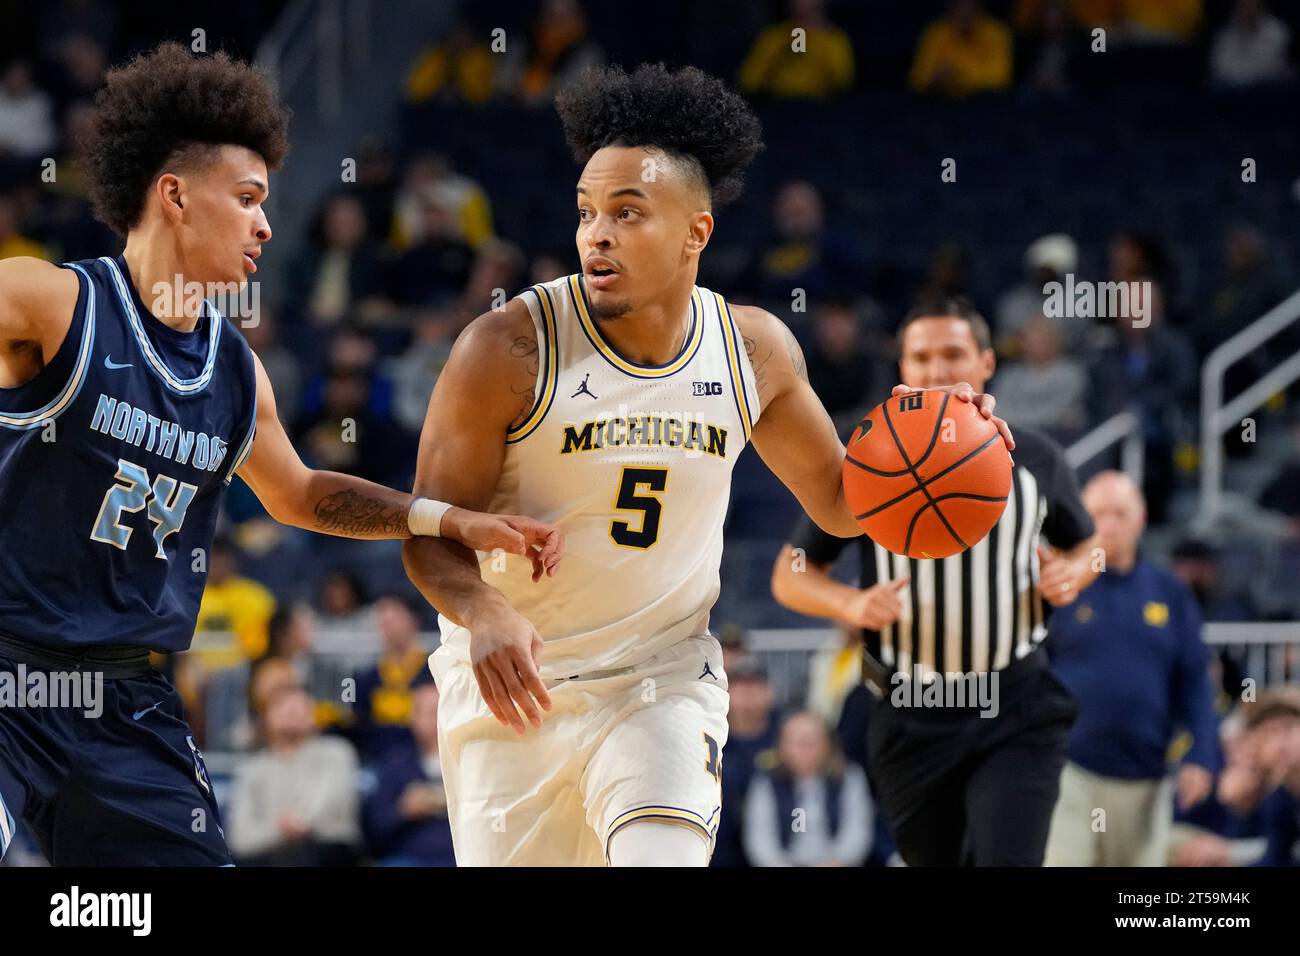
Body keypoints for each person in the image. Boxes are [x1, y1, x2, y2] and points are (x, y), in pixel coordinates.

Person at [401, 64, 1013, 867]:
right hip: (516, 689)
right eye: (587, 212)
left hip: (661, 680)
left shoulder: (753, 350)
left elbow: (838, 502)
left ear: (697, 231)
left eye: (627, 212)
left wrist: (935, 454)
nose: (596, 234)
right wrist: (481, 612)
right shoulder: (507, 348)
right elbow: (427, 535)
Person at [0, 43, 559, 867]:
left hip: (126, 694)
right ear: (175, 196)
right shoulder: (49, 302)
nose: (266, 223)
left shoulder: (236, 372)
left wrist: (446, 517)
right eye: (249, 198)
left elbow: (299, 493)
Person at [772, 297, 1097, 866]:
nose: (938, 369)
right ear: (902, 369)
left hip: (1015, 706)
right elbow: (791, 574)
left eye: (954, 354)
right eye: (920, 357)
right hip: (909, 708)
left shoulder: (1037, 459)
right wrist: (852, 604)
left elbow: (1091, 546)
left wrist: (1076, 571)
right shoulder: (869, 461)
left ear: (988, 363)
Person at [1044, 471, 1219, 866]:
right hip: (1069, 767)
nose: (1109, 523)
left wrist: (1202, 755)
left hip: (1147, 773)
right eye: (1099, 513)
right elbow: (1027, 676)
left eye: (1120, 513)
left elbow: (1195, 678)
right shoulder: (1058, 585)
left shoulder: (1170, 591)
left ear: (1141, 518)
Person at [227, 683, 362, 866]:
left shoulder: (337, 753)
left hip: (328, 852)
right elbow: (240, 838)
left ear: (314, 716)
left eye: (300, 707)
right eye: (282, 705)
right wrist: (279, 829)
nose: (291, 711)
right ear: (266, 717)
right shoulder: (251, 769)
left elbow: (330, 807)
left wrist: (297, 823)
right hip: (269, 855)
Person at [742, 711, 873, 867]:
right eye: (795, 742)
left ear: (828, 744)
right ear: (781, 746)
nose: (802, 749)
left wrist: (837, 861)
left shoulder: (850, 777)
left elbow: (857, 832)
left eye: (810, 741)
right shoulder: (765, 782)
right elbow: (760, 839)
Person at [362, 681, 457, 866]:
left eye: (443, 710)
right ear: (413, 718)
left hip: (463, 855)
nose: (437, 719)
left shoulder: (473, 761)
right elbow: (373, 830)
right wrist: (403, 810)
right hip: (411, 857)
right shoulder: (395, 764)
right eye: (430, 713)